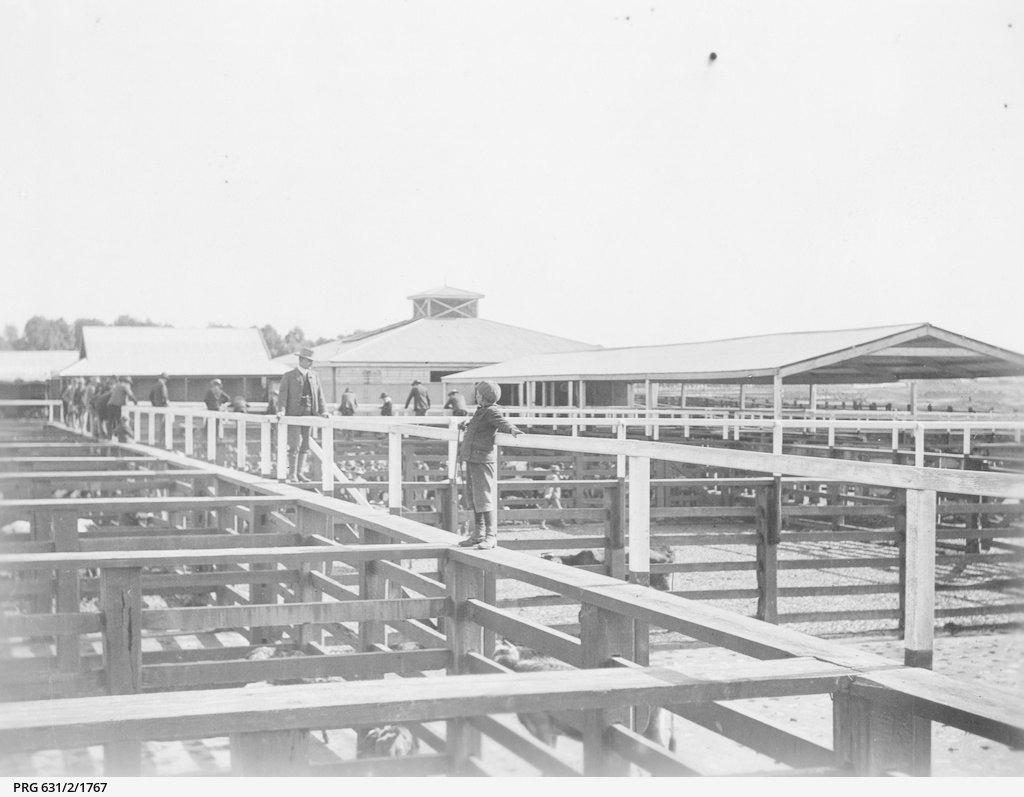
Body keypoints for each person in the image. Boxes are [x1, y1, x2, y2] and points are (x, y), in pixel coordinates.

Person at [456, 380, 523, 550]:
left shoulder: (491, 411)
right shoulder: (481, 411)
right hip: (473, 458)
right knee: (474, 497)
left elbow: (502, 422)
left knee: (483, 498)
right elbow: (479, 427)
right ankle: (478, 533)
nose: (476, 396)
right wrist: (467, 425)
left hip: (482, 460)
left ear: (483, 396)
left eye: (478, 394)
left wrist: (512, 429)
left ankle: (491, 536)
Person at [276, 347, 329, 482]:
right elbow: (282, 396)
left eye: (312, 361)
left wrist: (323, 411)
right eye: (308, 360)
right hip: (294, 415)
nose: (311, 363)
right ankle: (292, 473)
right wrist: (281, 410)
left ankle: (300, 472)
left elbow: (319, 394)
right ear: (301, 360)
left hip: (309, 414)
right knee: (294, 445)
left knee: (305, 444)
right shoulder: (289, 376)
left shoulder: (314, 376)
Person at [107, 376, 137, 441]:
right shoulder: (125, 386)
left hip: (110, 404)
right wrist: (136, 402)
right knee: (119, 421)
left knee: (110, 422)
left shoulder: (116, 386)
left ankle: (109, 437)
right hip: (117, 405)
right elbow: (131, 395)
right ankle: (120, 437)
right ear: (127, 382)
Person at [539, 464, 565, 530]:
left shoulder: (548, 476)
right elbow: (551, 485)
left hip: (548, 496)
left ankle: (542, 524)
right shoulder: (554, 477)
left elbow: (546, 485)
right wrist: (549, 494)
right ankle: (561, 523)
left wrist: (546, 493)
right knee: (559, 509)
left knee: (545, 510)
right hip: (553, 496)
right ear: (556, 471)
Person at [149, 373, 169, 443]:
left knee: (160, 423)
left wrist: (154, 404)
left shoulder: (154, 385)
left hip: (157, 406)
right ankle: (162, 440)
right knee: (163, 424)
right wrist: (166, 403)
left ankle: (160, 439)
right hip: (163, 406)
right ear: (165, 379)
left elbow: (150, 397)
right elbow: (164, 395)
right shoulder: (162, 385)